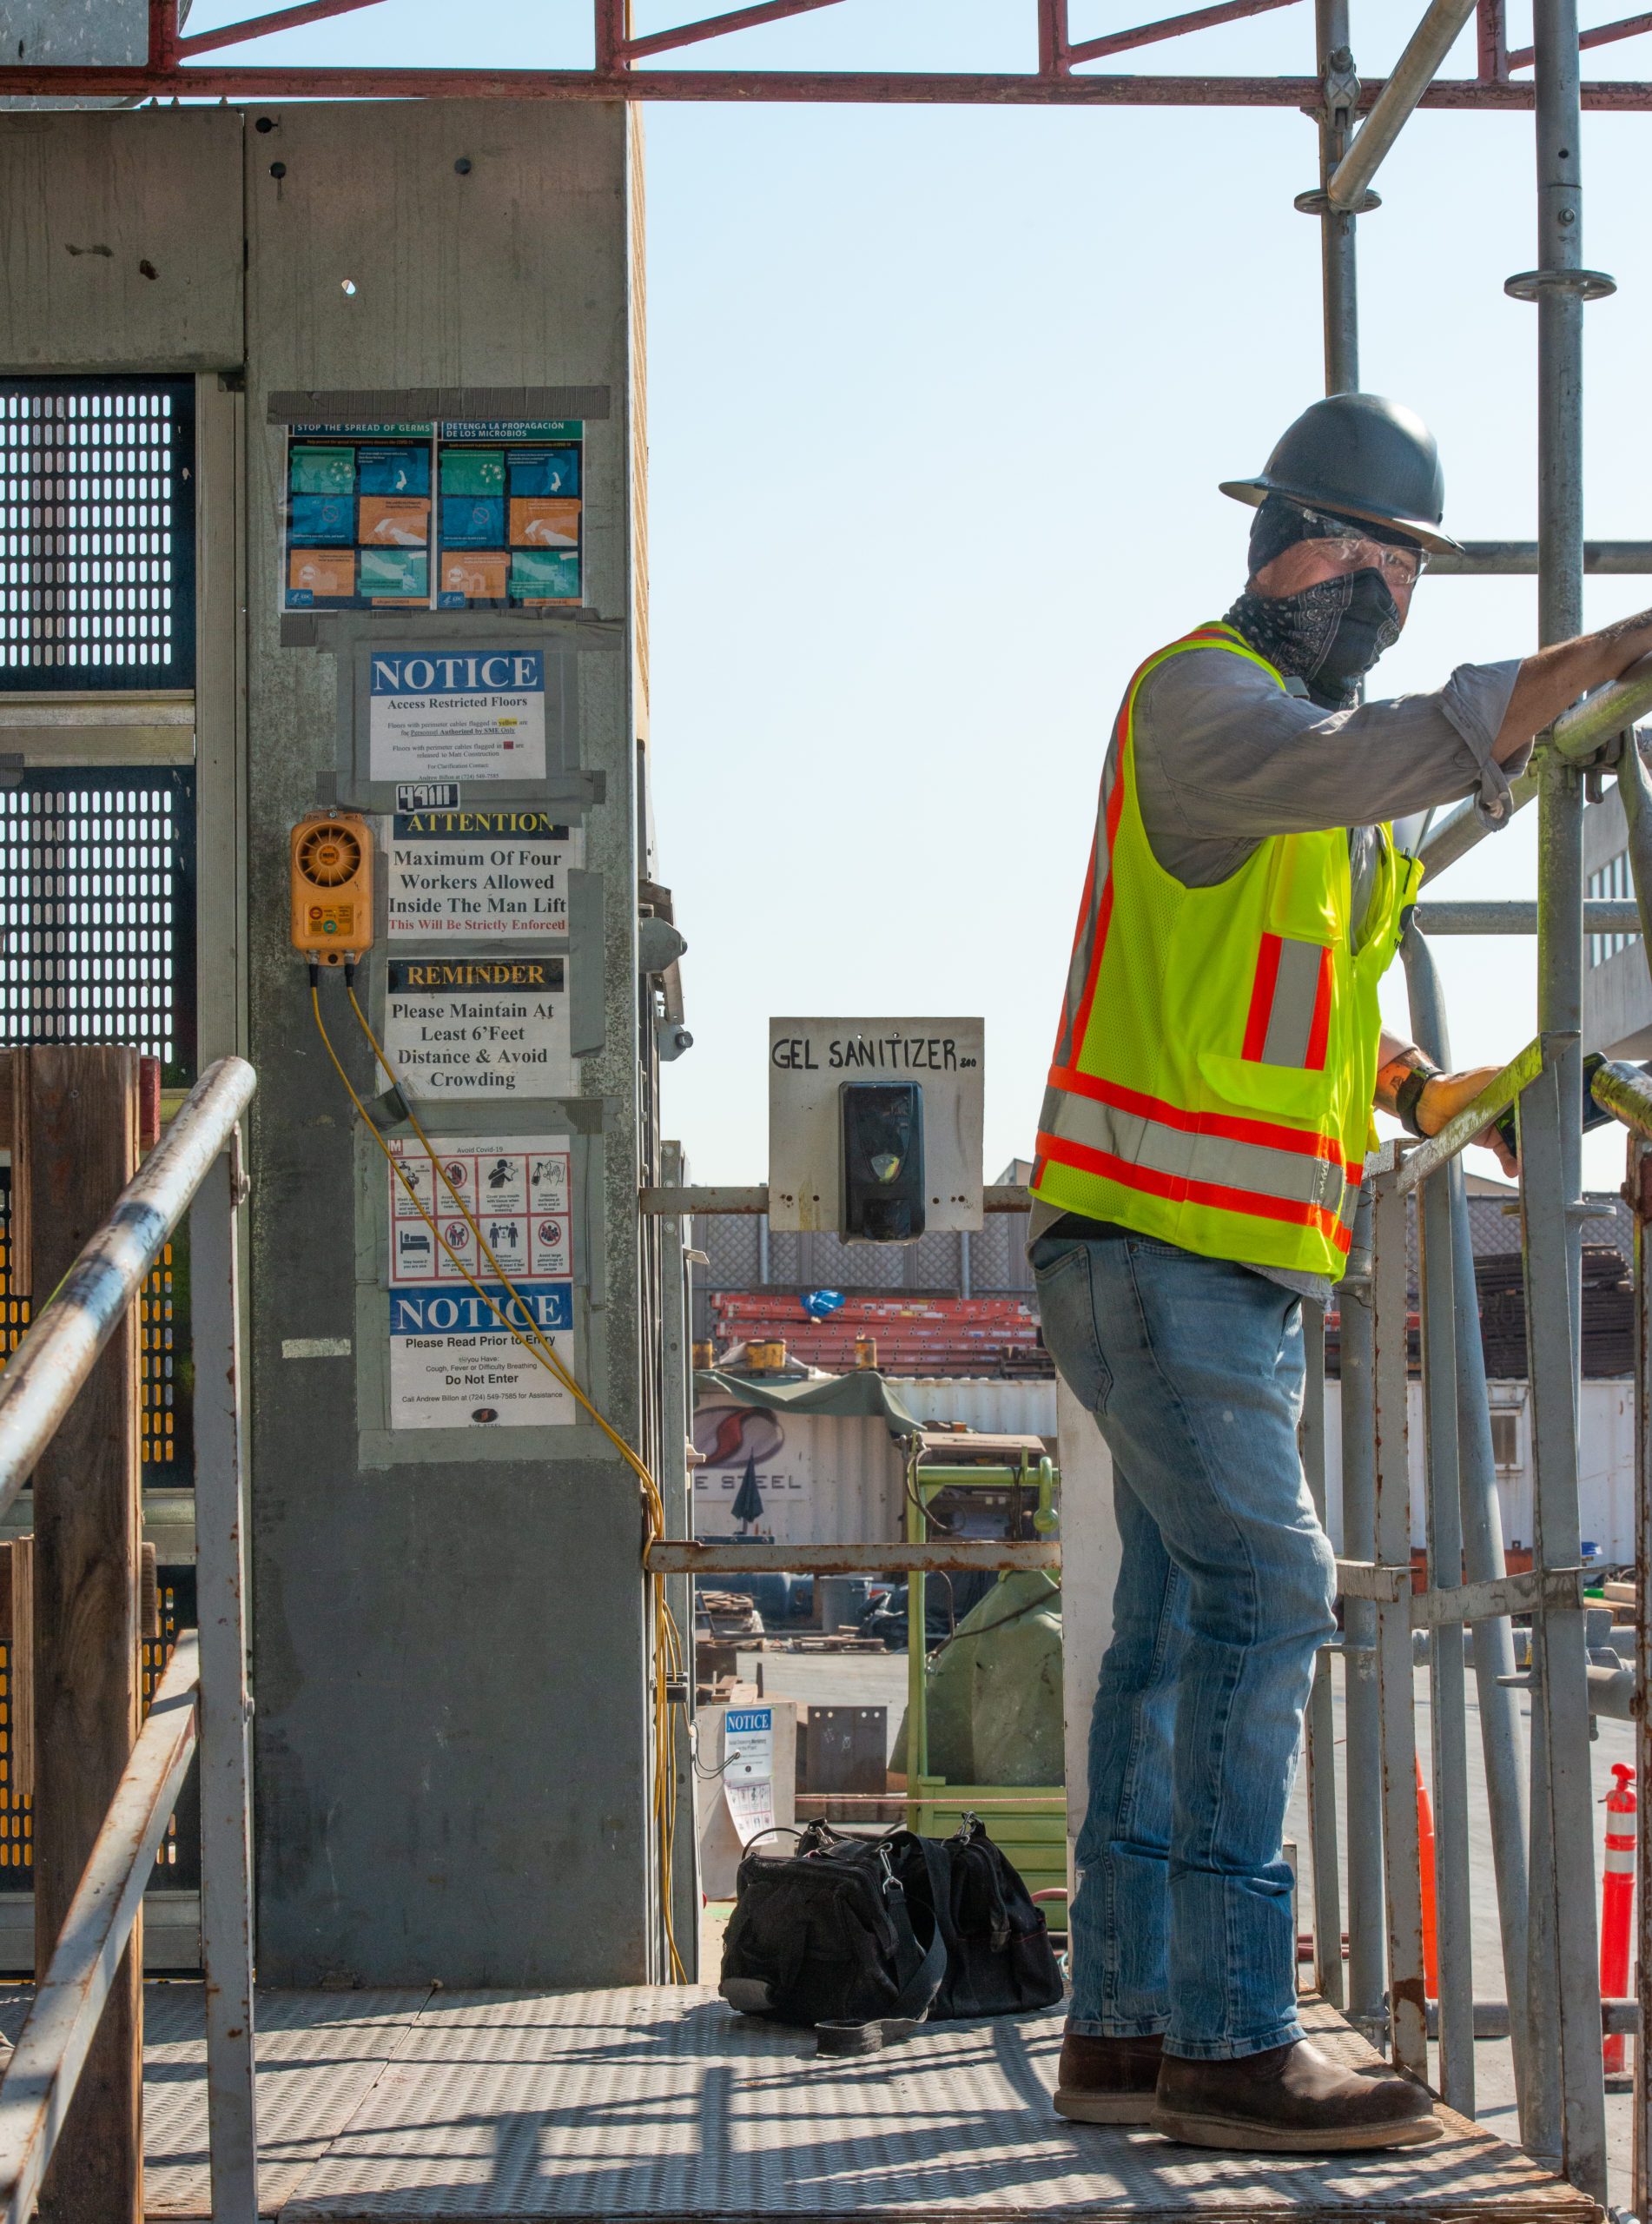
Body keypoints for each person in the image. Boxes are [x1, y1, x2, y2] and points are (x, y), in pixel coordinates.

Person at [1030, 391, 1652, 2154]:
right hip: (1167, 1244)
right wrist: (1618, 652)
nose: (1389, 598)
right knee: (1275, 1594)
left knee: (1174, 1631)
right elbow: (1397, 748)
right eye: (1379, 565)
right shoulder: (1202, 703)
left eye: (1409, 576)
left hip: (1213, 1260)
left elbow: (1314, 999)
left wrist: (1432, 1098)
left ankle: (1123, 2028)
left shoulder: (1308, 779)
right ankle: (1230, 2040)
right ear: (1297, 545)